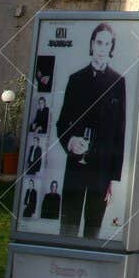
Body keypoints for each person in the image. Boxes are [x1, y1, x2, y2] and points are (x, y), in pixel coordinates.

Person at [56, 22, 127, 240]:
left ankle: (88, 266)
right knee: (69, 220)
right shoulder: (76, 79)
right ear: (92, 45)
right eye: (99, 42)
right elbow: (62, 123)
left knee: (93, 225)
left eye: (107, 44)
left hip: (102, 166)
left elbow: (119, 132)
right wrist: (70, 142)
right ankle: (63, 260)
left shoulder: (118, 82)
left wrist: (113, 177)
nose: (102, 48)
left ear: (111, 48)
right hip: (76, 165)